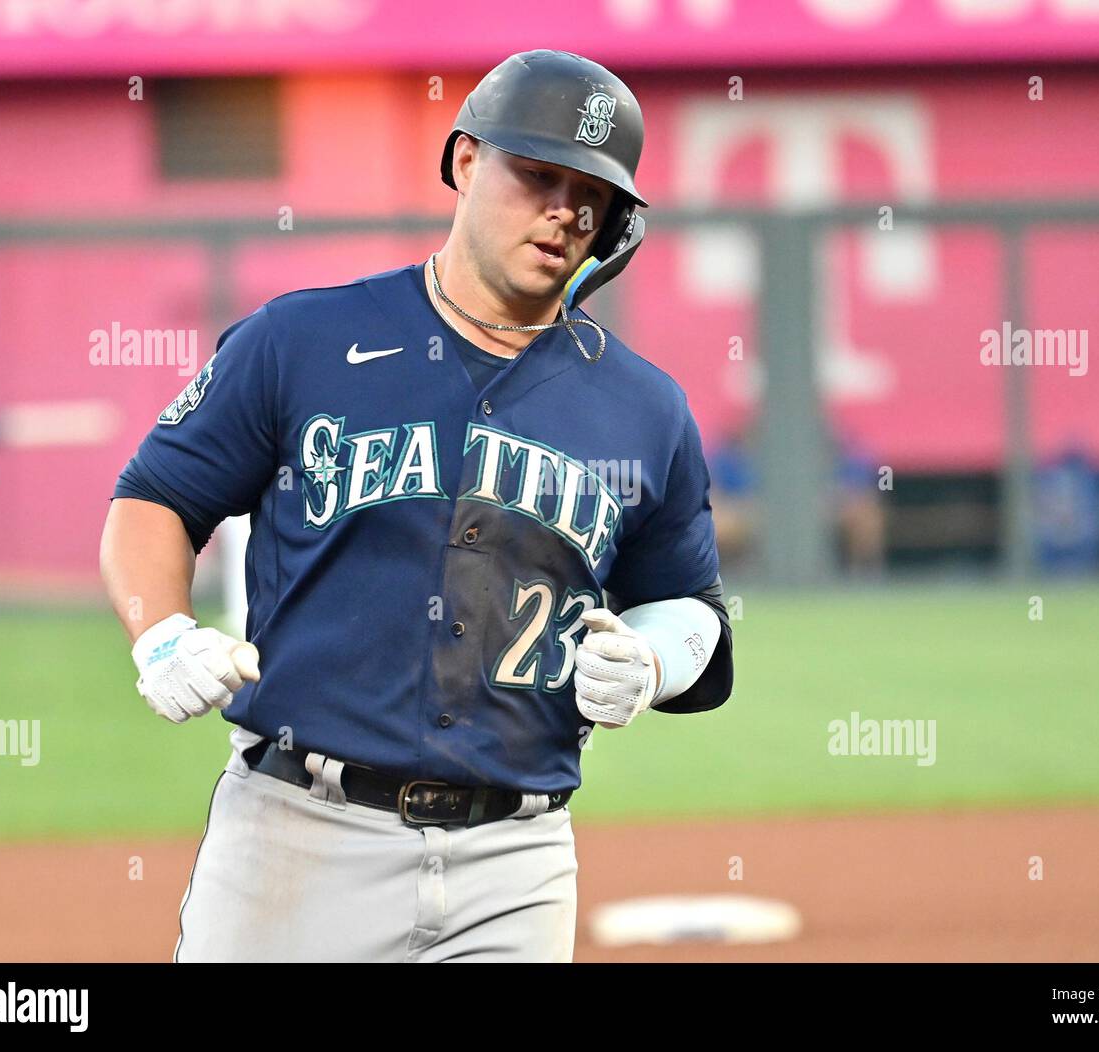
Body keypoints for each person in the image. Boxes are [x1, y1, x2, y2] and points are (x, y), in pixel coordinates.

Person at [99, 49, 734, 963]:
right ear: (467, 161)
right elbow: (156, 497)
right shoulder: (304, 340)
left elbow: (693, 609)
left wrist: (655, 662)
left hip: (516, 863)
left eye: (589, 196)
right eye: (537, 175)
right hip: (297, 837)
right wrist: (158, 632)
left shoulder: (644, 408)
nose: (563, 211)